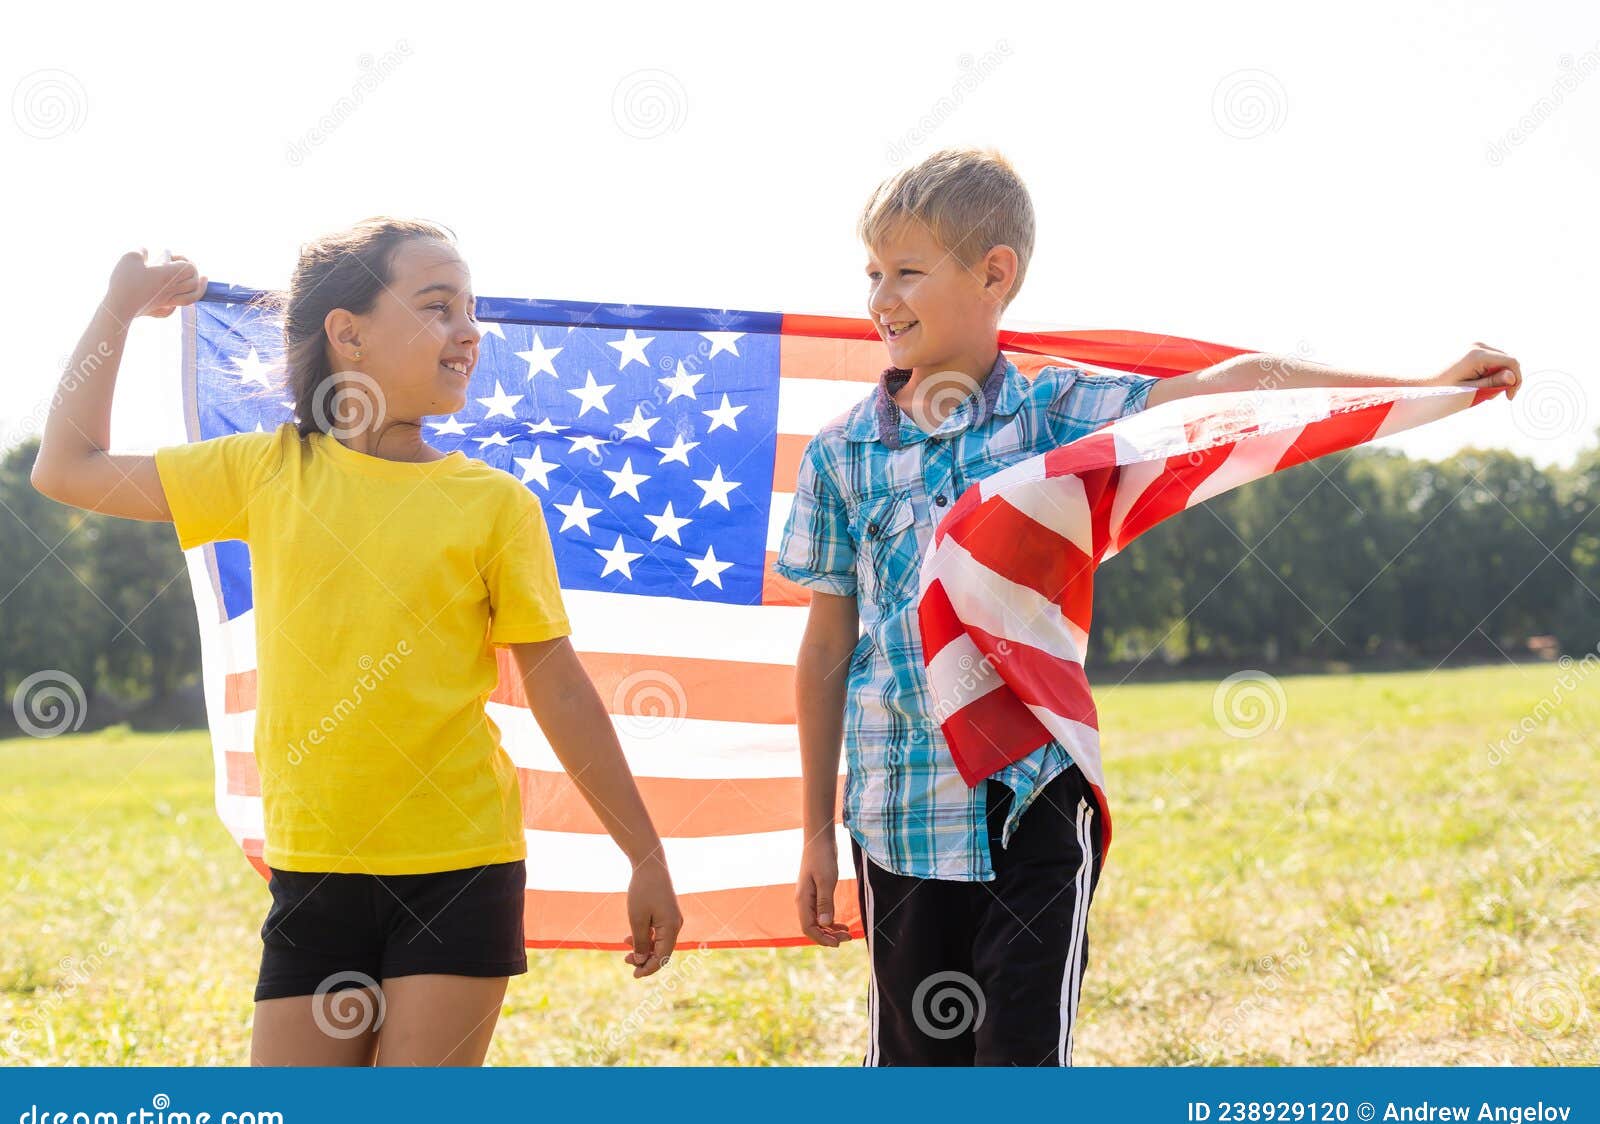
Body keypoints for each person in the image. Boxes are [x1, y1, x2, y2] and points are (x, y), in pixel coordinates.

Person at [776, 147, 1522, 1065]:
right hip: (896, 817)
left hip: (1031, 802)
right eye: (872, 273)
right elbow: (825, 649)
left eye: (908, 271)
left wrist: (1414, 387)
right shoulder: (841, 453)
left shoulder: (1052, 413)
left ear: (995, 274)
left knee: (1020, 1069)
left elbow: (1224, 390)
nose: (882, 297)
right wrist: (816, 825)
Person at [31, 218, 683, 1066]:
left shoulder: (494, 504)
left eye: (471, 310)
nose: (470, 331)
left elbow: (561, 691)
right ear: (349, 333)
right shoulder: (266, 472)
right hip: (313, 874)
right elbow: (66, 467)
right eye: (438, 306)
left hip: (461, 871)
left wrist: (645, 853)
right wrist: (118, 309)